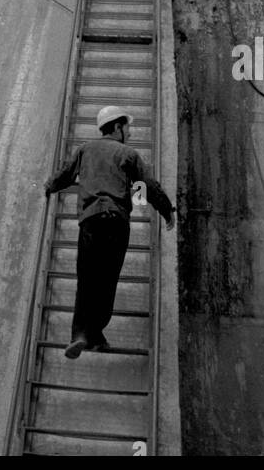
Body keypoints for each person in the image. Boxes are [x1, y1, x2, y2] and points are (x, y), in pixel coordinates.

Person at [44, 106, 175, 359]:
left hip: (91, 222)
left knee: (87, 279)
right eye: (127, 127)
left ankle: (81, 335)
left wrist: (49, 186)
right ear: (117, 127)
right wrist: (167, 211)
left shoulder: (85, 150)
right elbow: (147, 186)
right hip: (116, 223)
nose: (130, 132)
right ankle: (96, 334)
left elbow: (64, 175)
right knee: (106, 281)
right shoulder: (129, 154)